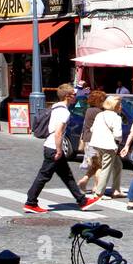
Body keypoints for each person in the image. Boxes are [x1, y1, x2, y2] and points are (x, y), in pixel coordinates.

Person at [23, 84, 101, 214]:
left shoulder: (56, 106)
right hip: (53, 147)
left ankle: (82, 200)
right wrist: (59, 150)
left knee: (66, 175)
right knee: (43, 176)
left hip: (51, 146)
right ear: (67, 96)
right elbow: (58, 133)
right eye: (74, 94)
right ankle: (30, 202)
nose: (76, 96)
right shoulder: (64, 112)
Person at [90, 95, 125, 199]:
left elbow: (92, 129)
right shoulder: (116, 117)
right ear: (115, 106)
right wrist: (119, 141)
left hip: (97, 144)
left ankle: (116, 190)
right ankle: (99, 193)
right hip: (109, 146)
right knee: (106, 168)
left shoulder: (100, 115)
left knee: (118, 165)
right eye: (119, 105)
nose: (121, 107)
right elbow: (118, 135)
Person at [76, 90, 107, 195]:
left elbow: (85, 127)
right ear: (98, 101)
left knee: (95, 165)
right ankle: (97, 188)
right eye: (103, 100)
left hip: (88, 140)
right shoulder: (98, 112)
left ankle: (84, 181)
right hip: (96, 140)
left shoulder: (89, 110)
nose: (104, 102)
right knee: (100, 165)